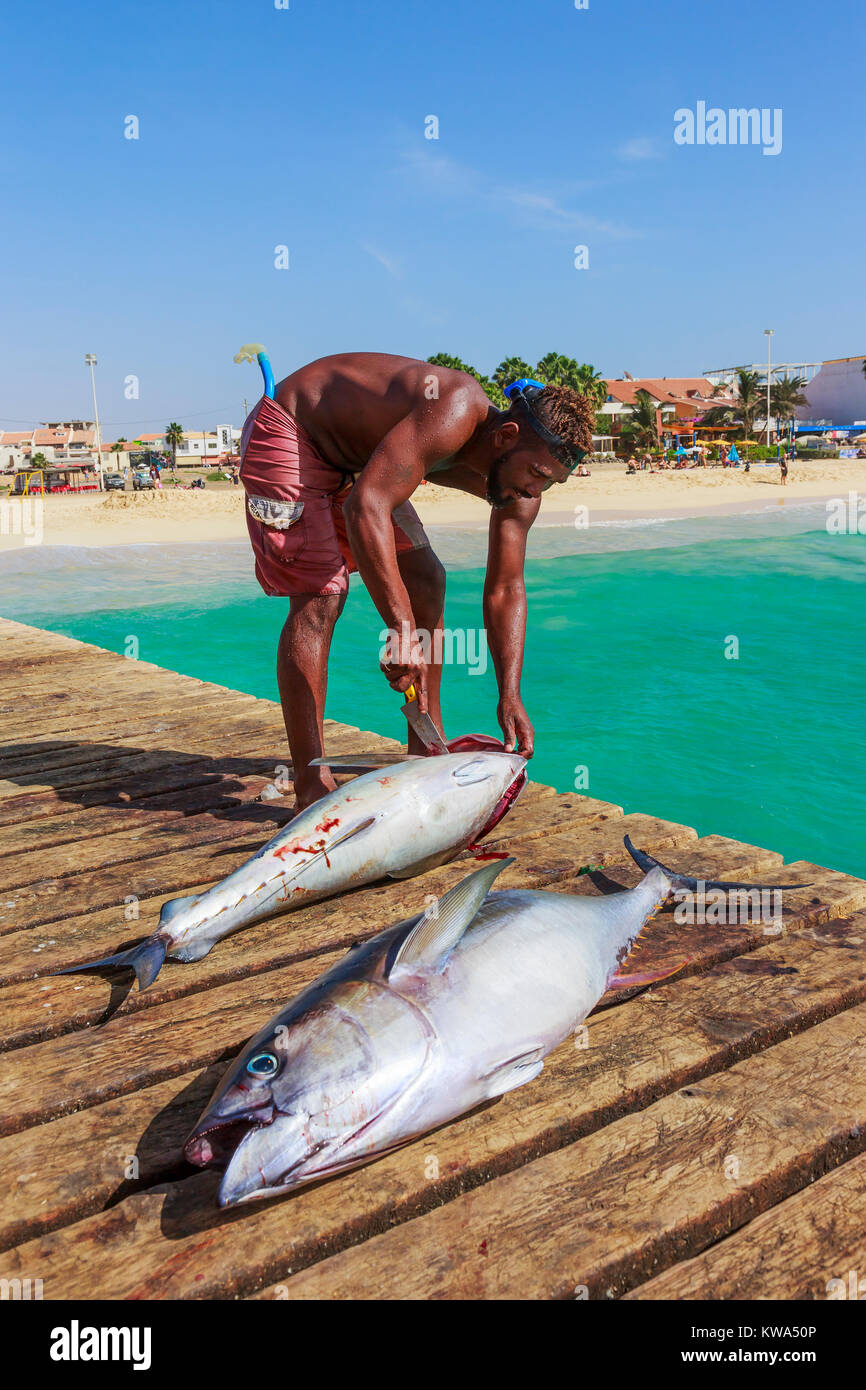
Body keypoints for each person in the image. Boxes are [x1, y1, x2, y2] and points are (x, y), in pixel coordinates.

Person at [239, 352, 594, 810]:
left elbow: (507, 587)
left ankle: (424, 749)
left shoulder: (521, 491)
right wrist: (401, 630)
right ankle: (311, 783)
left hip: (360, 466)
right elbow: (367, 507)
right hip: (293, 430)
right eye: (537, 475)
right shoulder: (454, 407)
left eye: (552, 484)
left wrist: (509, 694)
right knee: (322, 597)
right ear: (506, 436)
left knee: (427, 579)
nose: (534, 492)